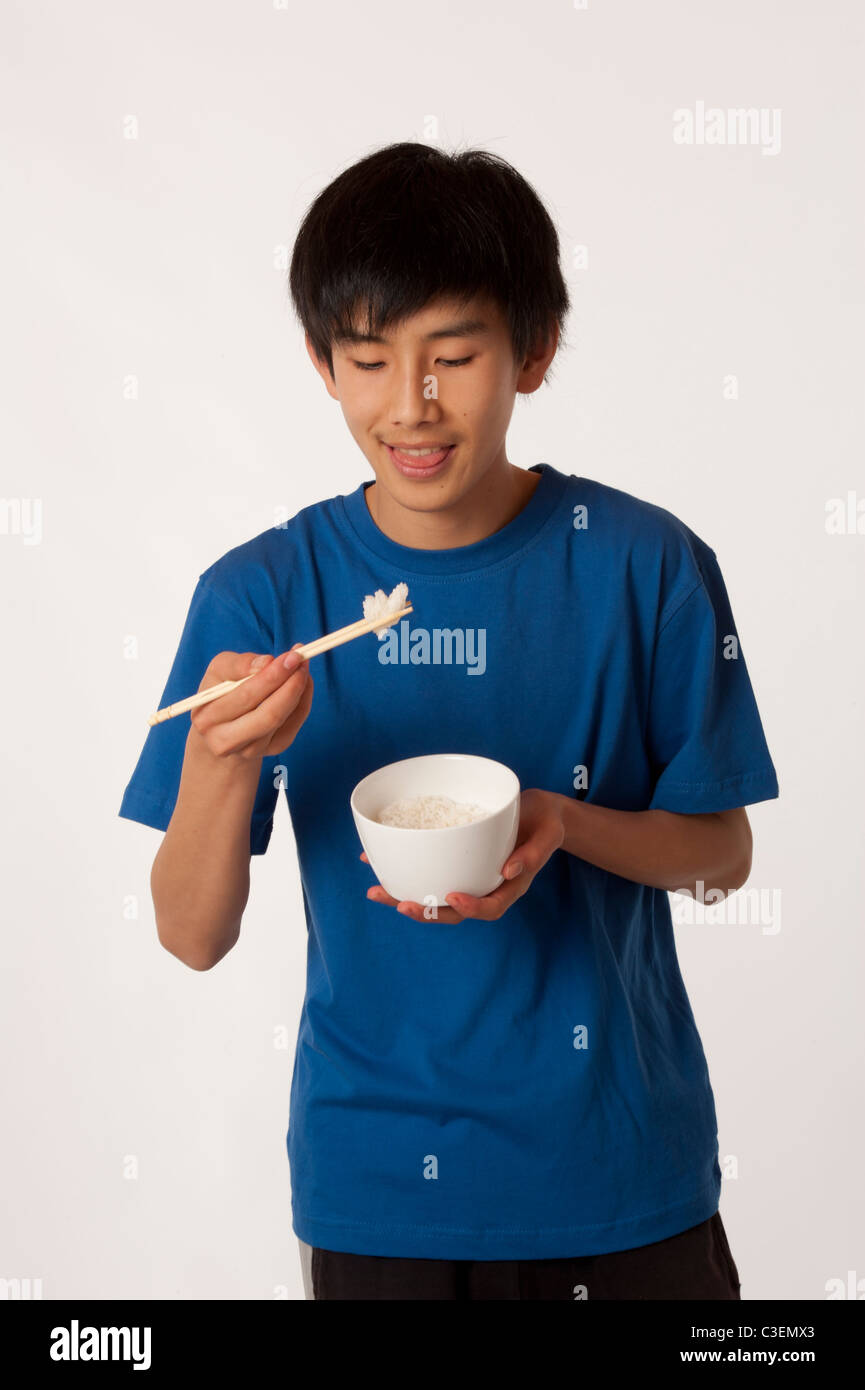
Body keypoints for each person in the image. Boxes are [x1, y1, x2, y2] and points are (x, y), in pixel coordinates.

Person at [119, 142, 778, 1301]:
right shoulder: (261, 594)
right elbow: (190, 933)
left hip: (625, 1175)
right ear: (324, 365)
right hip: (381, 1194)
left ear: (534, 351)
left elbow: (723, 853)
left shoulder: (647, 565)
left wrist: (562, 822)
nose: (410, 406)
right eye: (369, 359)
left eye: (455, 356)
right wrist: (225, 764)